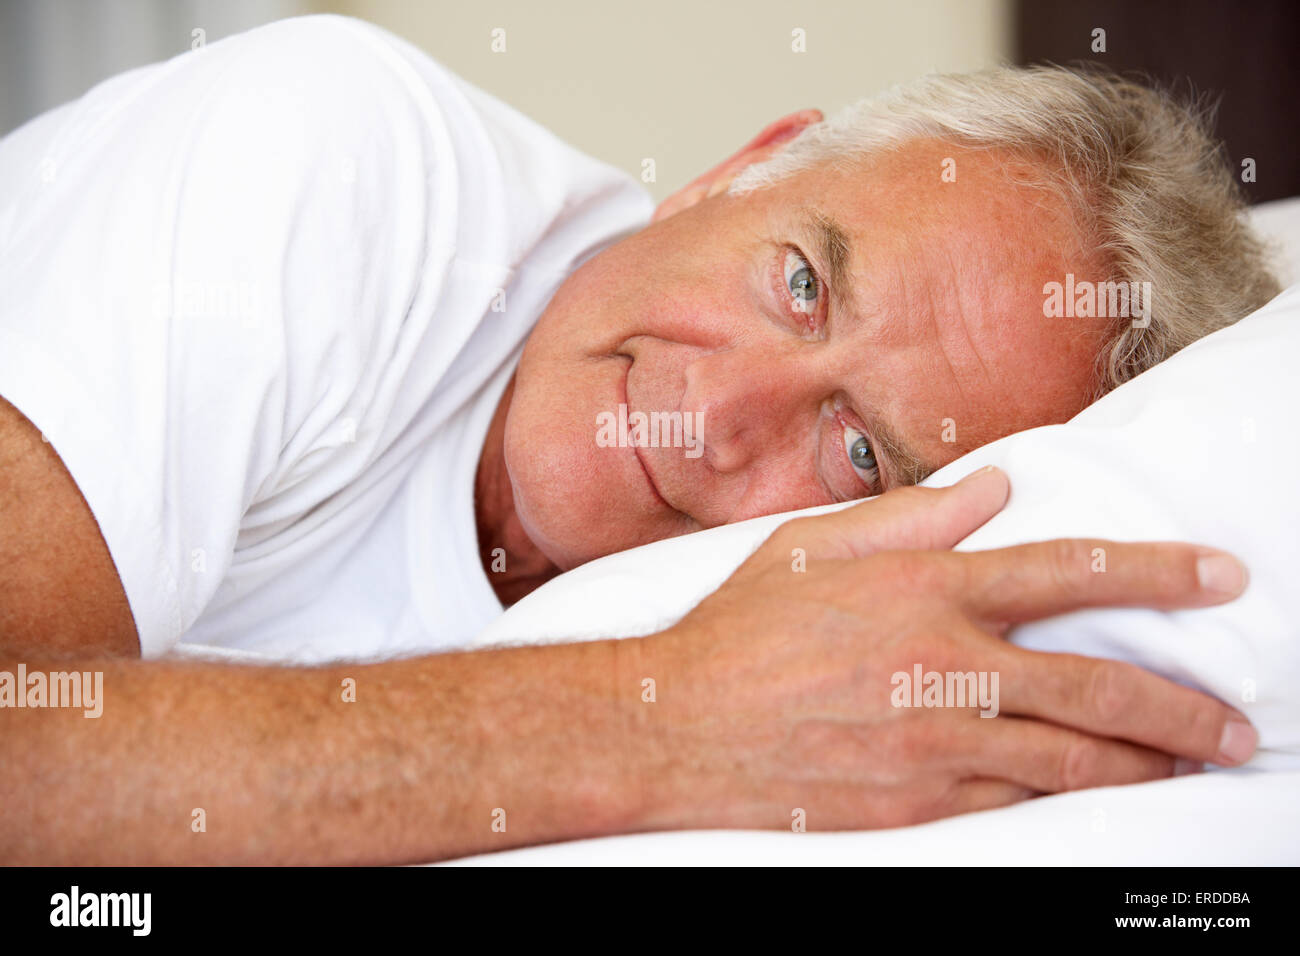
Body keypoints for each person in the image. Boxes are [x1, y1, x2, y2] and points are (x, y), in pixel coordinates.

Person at [0, 15, 1277, 863]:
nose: (715, 417)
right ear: (741, 168)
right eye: (798, 284)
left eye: (860, 457)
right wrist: (663, 717)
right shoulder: (333, 157)